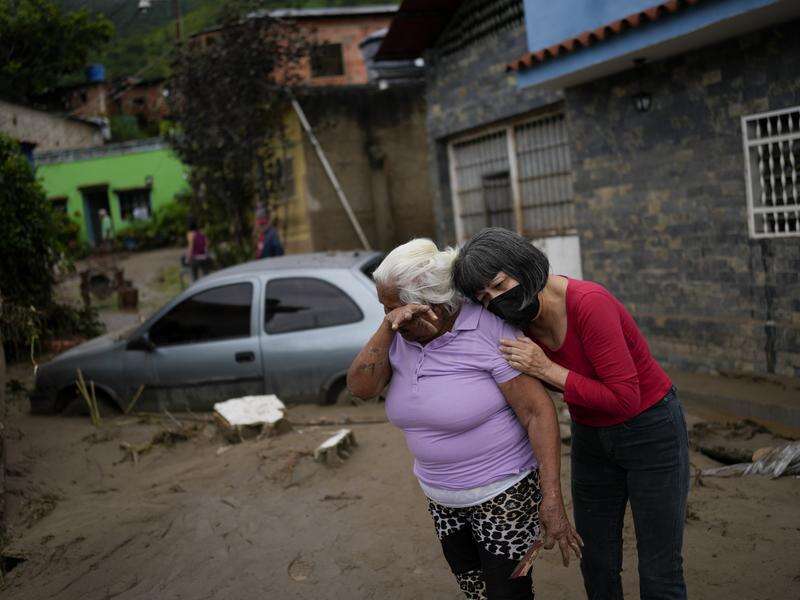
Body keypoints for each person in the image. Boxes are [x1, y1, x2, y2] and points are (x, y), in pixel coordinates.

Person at [452, 228, 689, 600]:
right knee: (595, 559)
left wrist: (545, 369)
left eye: (499, 284)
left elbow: (624, 398)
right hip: (591, 436)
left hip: (650, 430)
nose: (496, 301)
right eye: (484, 297)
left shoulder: (590, 302)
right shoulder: (516, 322)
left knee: (658, 567)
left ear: (524, 266)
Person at [347, 239, 582, 600]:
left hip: (503, 493)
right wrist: (387, 327)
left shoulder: (489, 330)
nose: (389, 315)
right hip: (441, 498)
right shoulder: (398, 334)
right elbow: (361, 388)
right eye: (385, 308)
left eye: (392, 306)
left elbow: (537, 412)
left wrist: (552, 498)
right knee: (474, 590)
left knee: (508, 594)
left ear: (435, 304)